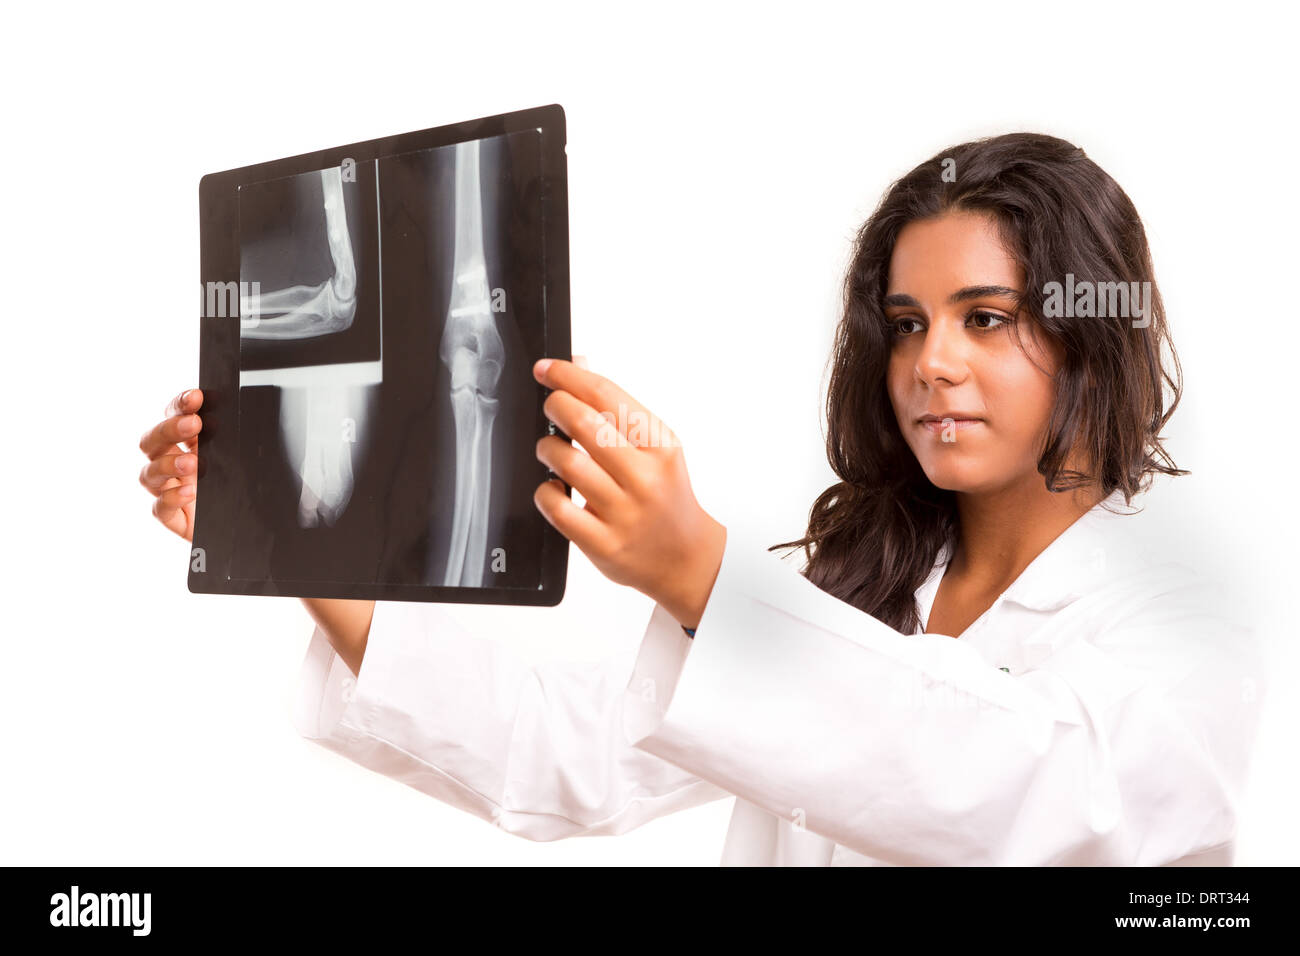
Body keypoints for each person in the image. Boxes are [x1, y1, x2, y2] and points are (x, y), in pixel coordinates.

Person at [141, 132, 1266, 865]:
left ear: (1088, 337)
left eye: (985, 317)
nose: (932, 364)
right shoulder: (858, 586)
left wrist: (697, 572)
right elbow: (557, 753)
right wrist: (289, 535)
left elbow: (1025, 790)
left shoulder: (1184, 615)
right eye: (908, 323)